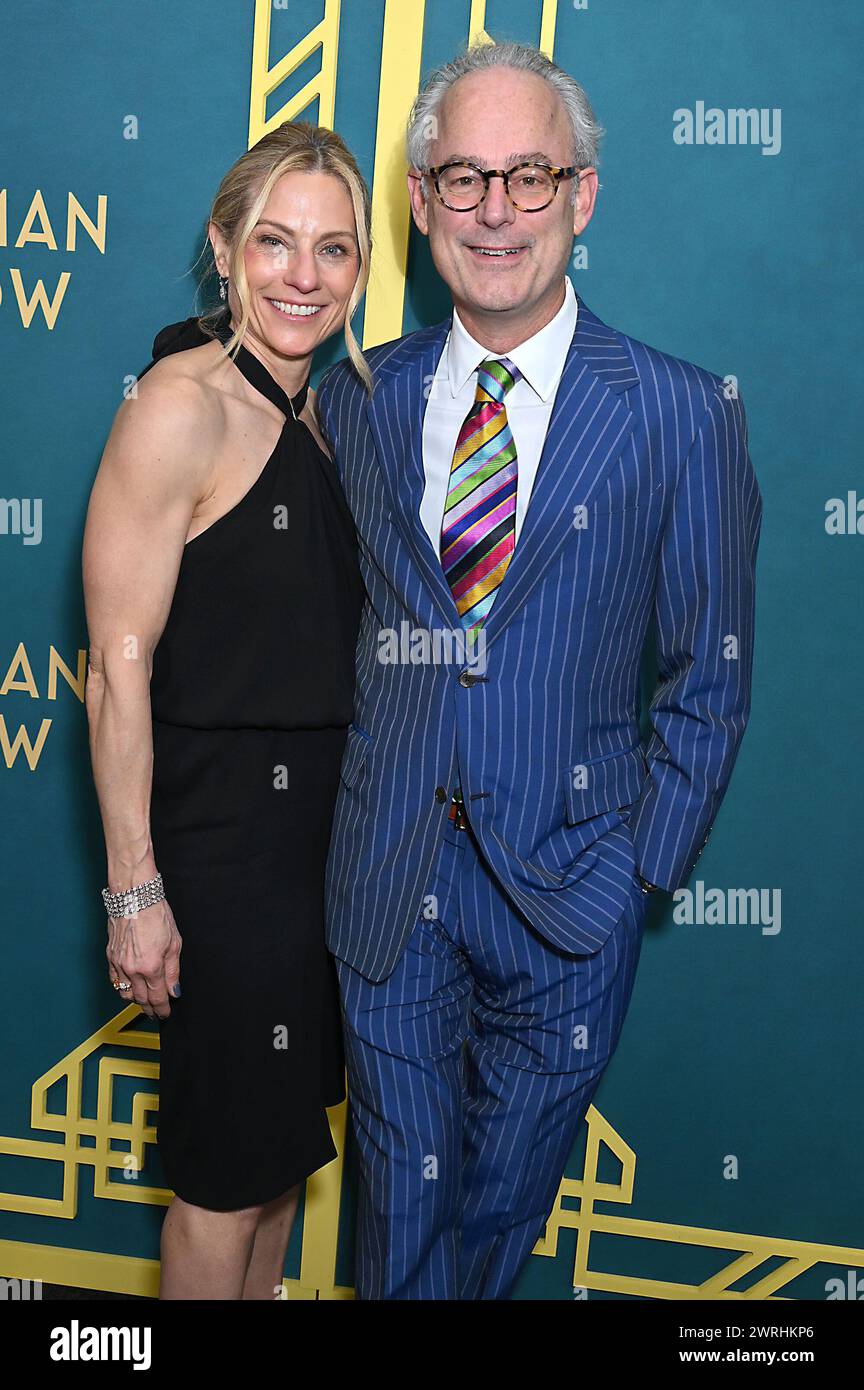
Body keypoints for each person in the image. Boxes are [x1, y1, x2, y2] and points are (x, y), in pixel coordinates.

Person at [316, 42, 762, 1300]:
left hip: (571, 900)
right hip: (390, 884)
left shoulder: (682, 414)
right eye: (463, 178)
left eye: (530, 175)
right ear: (420, 201)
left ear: (583, 196)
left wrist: (638, 874)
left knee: (493, 1232)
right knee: (398, 1230)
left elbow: (709, 676)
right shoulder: (361, 398)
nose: (496, 211)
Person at [82, 122, 369, 1300]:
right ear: (223, 247)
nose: (303, 275)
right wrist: (136, 890)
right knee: (219, 1177)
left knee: (279, 1164)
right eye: (274, 243)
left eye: (334, 250)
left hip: (321, 850)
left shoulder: (334, 412)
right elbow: (115, 667)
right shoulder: (178, 408)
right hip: (222, 849)